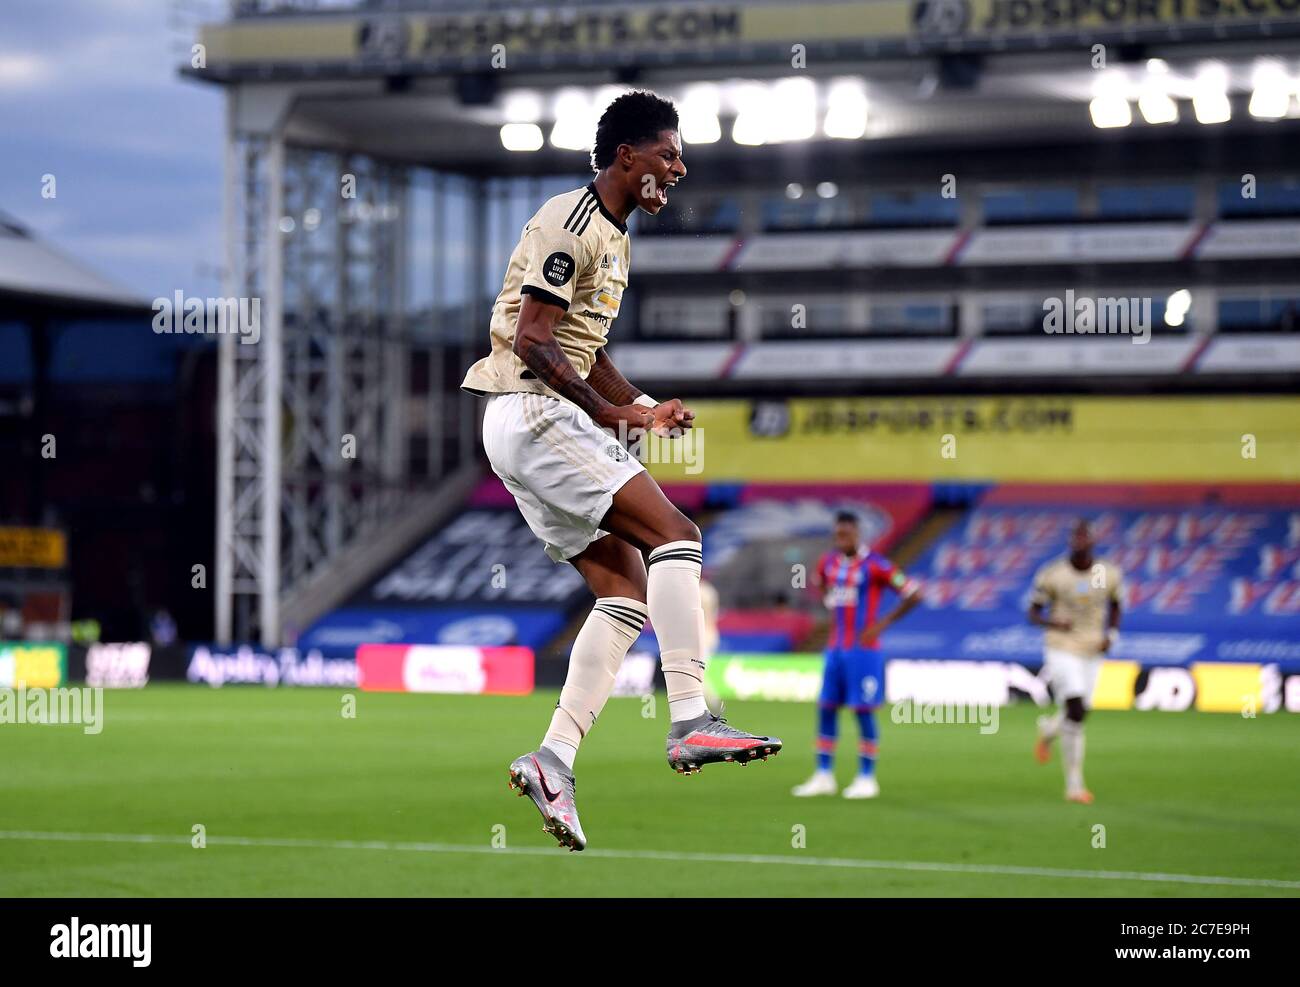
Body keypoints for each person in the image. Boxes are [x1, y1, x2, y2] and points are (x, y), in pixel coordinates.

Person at [462, 90, 780, 851]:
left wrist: (637, 404)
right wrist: (607, 416)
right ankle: (692, 718)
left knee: (625, 589)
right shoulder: (570, 220)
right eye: (668, 153)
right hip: (535, 411)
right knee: (676, 533)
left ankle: (554, 759)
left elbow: (586, 350)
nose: (680, 166)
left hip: (533, 419)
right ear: (627, 156)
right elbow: (537, 340)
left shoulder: (614, 236)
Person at [792, 512, 920, 799]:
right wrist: (831, 604)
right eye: (838, 535)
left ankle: (867, 777)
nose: (842, 540)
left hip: (864, 651)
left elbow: (914, 593)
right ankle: (823, 775)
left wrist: (882, 624)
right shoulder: (828, 563)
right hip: (835, 648)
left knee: (862, 711)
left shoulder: (876, 565)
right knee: (826, 707)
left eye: (847, 535)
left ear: (858, 535)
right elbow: (821, 583)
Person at [1028, 518, 1123, 804]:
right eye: (1076, 538)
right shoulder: (1054, 574)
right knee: (1077, 708)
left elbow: (1116, 604)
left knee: (1080, 711)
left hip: (1092, 647)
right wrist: (1053, 623)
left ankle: (1048, 730)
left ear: (1093, 542)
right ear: (1071, 542)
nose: (1080, 543)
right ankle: (1074, 785)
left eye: (1085, 538)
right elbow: (1033, 612)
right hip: (1061, 647)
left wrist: (1112, 634)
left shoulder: (1106, 573)